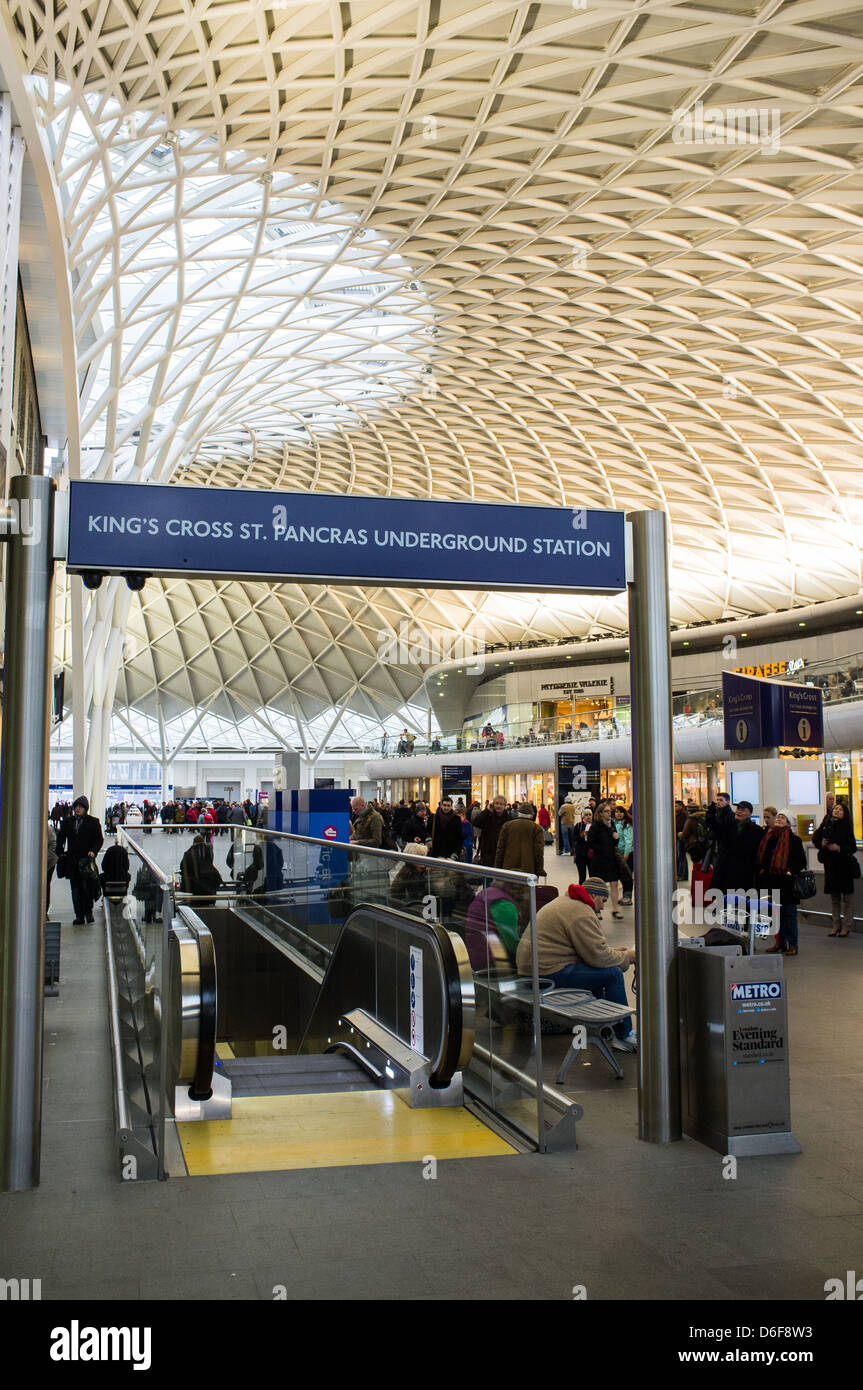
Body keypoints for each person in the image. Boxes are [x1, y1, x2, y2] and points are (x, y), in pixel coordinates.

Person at [515, 876, 636, 1051]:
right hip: (547, 973)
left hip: (535, 968)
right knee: (612, 975)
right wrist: (629, 957)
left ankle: (604, 1027)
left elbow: (589, 951)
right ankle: (624, 1035)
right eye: (602, 901)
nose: (602, 906)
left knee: (599, 972)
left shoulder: (568, 902)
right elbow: (598, 957)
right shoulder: (581, 912)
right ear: (593, 896)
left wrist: (617, 953)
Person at [755, 810, 807, 955]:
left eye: (782, 818)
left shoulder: (794, 840)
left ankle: (793, 944)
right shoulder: (769, 837)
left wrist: (789, 871)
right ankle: (780, 942)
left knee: (788, 915)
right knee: (774, 915)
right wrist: (762, 871)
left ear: (789, 823)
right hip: (770, 882)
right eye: (778, 817)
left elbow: (801, 861)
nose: (778, 819)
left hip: (786, 884)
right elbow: (762, 857)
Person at [812, 802, 858, 937]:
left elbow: (852, 847)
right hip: (830, 866)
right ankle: (835, 925)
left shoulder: (847, 827)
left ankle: (846, 926)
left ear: (845, 813)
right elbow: (816, 838)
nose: (837, 811)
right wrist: (821, 844)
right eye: (836, 808)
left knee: (848, 899)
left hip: (844, 866)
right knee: (834, 898)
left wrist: (839, 848)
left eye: (840, 809)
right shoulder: (826, 823)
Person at [56, 795, 104, 925]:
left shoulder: (93, 822)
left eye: (80, 807)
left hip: (86, 861)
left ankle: (88, 912)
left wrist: (93, 851)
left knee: (87, 889)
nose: (78, 809)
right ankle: (79, 915)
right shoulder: (68, 822)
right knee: (76, 890)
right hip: (72, 861)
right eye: (76, 806)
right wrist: (60, 853)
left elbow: (99, 839)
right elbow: (60, 838)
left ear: (85, 809)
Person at [709, 799, 763, 904]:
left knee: (741, 901)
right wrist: (711, 815)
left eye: (743, 810)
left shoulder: (756, 830)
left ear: (750, 813)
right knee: (726, 902)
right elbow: (715, 827)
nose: (739, 811)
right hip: (726, 868)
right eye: (738, 809)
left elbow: (759, 851)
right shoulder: (728, 825)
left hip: (745, 870)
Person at [587, 800, 625, 919]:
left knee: (614, 883)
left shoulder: (611, 825)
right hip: (599, 859)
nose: (609, 813)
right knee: (598, 885)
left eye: (610, 811)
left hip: (611, 858)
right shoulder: (595, 826)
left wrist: (616, 838)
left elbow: (614, 841)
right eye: (606, 811)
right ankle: (597, 909)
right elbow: (591, 842)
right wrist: (604, 847)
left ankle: (615, 909)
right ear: (601, 813)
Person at [471, 795, 511, 867]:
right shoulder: (487, 816)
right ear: (493, 804)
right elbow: (476, 822)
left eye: (501, 804)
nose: (498, 806)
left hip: (503, 854)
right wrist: (487, 811)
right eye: (496, 803)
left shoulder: (509, 819)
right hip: (487, 854)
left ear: (505, 806)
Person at [614, 805, 634, 905]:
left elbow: (629, 840)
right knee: (622, 876)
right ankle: (625, 896)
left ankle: (628, 896)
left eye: (621, 812)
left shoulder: (627, 824)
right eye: (617, 812)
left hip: (627, 853)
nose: (618, 814)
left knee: (627, 876)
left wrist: (626, 853)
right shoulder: (614, 823)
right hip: (617, 853)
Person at [571, 807, 592, 884]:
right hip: (580, 854)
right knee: (582, 876)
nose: (588, 816)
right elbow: (573, 838)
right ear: (583, 816)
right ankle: (581, 892)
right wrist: (581, 836)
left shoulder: (594, 825)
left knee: (593, 876)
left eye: (590, 814)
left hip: (591, 853)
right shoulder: (578, 825)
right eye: (586, 815)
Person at [46, 821, 58, 915]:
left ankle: (44, 911)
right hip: (46, 861)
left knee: (44, 886)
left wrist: (45, 861)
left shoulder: (46, 828)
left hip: (48, 863)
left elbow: (53, 844)